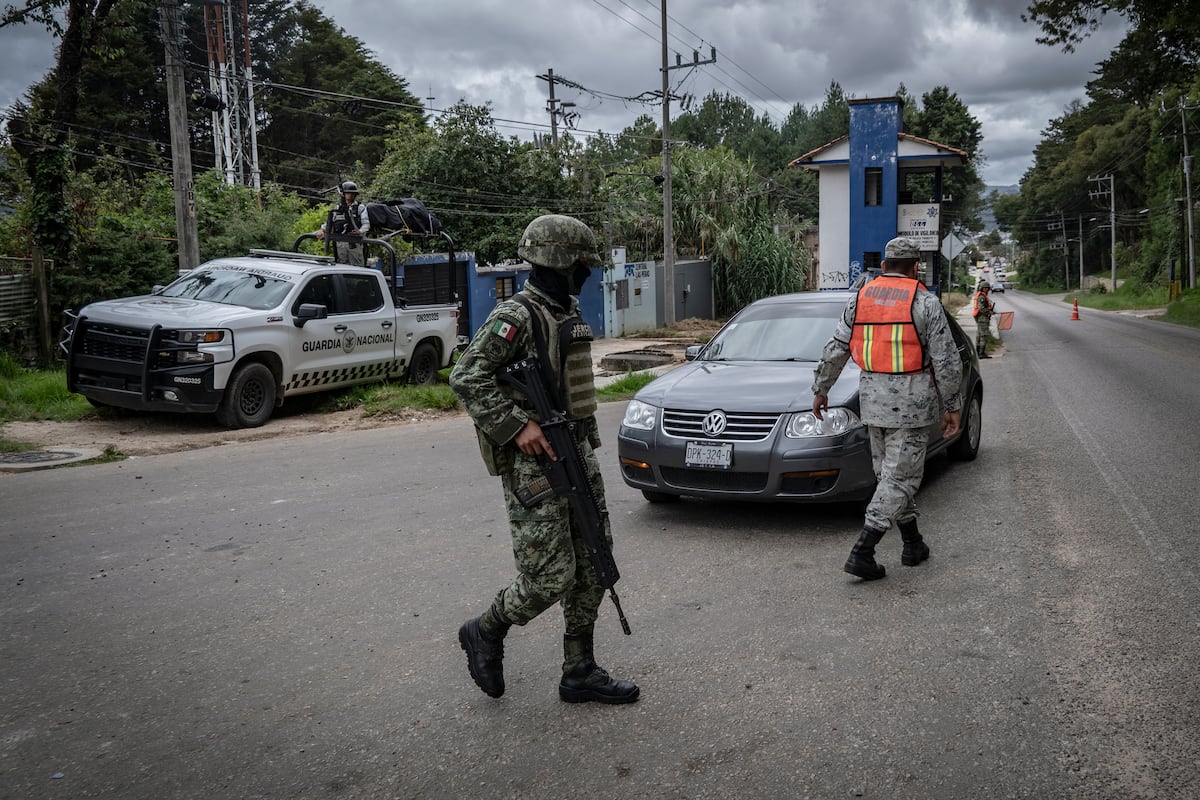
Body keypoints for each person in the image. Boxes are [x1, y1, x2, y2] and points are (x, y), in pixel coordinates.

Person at [449, 214, 639, 704]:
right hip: (537, 462)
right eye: (580, 264)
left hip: (576, 449)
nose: (586, 273)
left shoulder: (565, 311)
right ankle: (485, 630)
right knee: (549, 577)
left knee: (595, 561)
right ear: (558, 263)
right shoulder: (516, 317)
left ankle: (579, 669)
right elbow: (467, 377)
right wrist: (518, 426)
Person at [810, 236, 963, 581]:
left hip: (873, 404)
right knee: (902, 478)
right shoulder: (924, 302)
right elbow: (946, 360)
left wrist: (821, 388)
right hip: (912, 405)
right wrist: (953, 404)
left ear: (884, 266)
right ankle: (863, 550)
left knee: (890, 476)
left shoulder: (860, 299)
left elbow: (836, 347)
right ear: (914, 268)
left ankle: (913, 544)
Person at [314, 180, 370, 265]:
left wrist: (360, 231)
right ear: (343, 194)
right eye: (348, 193)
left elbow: (366, 224)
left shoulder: (360, 208)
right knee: (341, 266)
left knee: (356, 268)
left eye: (352, 193)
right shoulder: (338, 208)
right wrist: (322, 230)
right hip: (340, 243)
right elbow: (330, 222)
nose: (350, 195)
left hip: (355, 243)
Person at [972, 281, 995, 358]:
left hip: (980, 318)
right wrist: (990, 312)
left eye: (988, 288)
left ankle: (978, 352)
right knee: (983, 336)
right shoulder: (981, 297)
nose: (987, 290)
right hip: (982, 318)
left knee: (979, 335)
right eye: (986, 288)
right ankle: (981, 353)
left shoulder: (980, 295)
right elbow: (981, 308)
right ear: (983, 288)